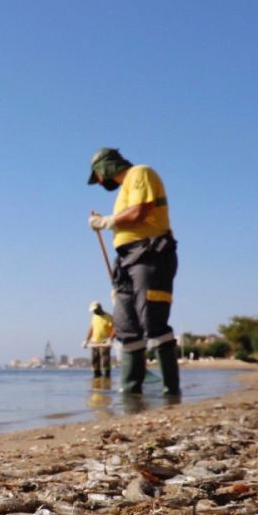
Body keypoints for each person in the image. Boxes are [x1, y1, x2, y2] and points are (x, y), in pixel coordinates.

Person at [87, 148, 180, 395]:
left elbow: (139, 212)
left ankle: (171, 392)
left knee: (153, 319)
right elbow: (126, 217)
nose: (98, 181)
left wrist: (106, 221)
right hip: (126, 260)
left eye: (97, 175)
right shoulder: (122, 191)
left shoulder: (140, 172)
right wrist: (108, 222)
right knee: (125, 323)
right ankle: (131, 394)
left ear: (105, 167)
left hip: (150, 253)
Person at [83, 300, 115, 379]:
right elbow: (91, 328)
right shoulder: (94, 317)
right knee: (94, 359)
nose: (94, 312)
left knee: (105, 359)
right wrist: (86, 340)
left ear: (100, 308)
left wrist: (110, 338)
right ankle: (96, 375)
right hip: (94, 342)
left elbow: (115, 328)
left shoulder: (108, 317)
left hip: (105, 342)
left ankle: (107, 376)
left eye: (96, 310)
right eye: (93, 310)